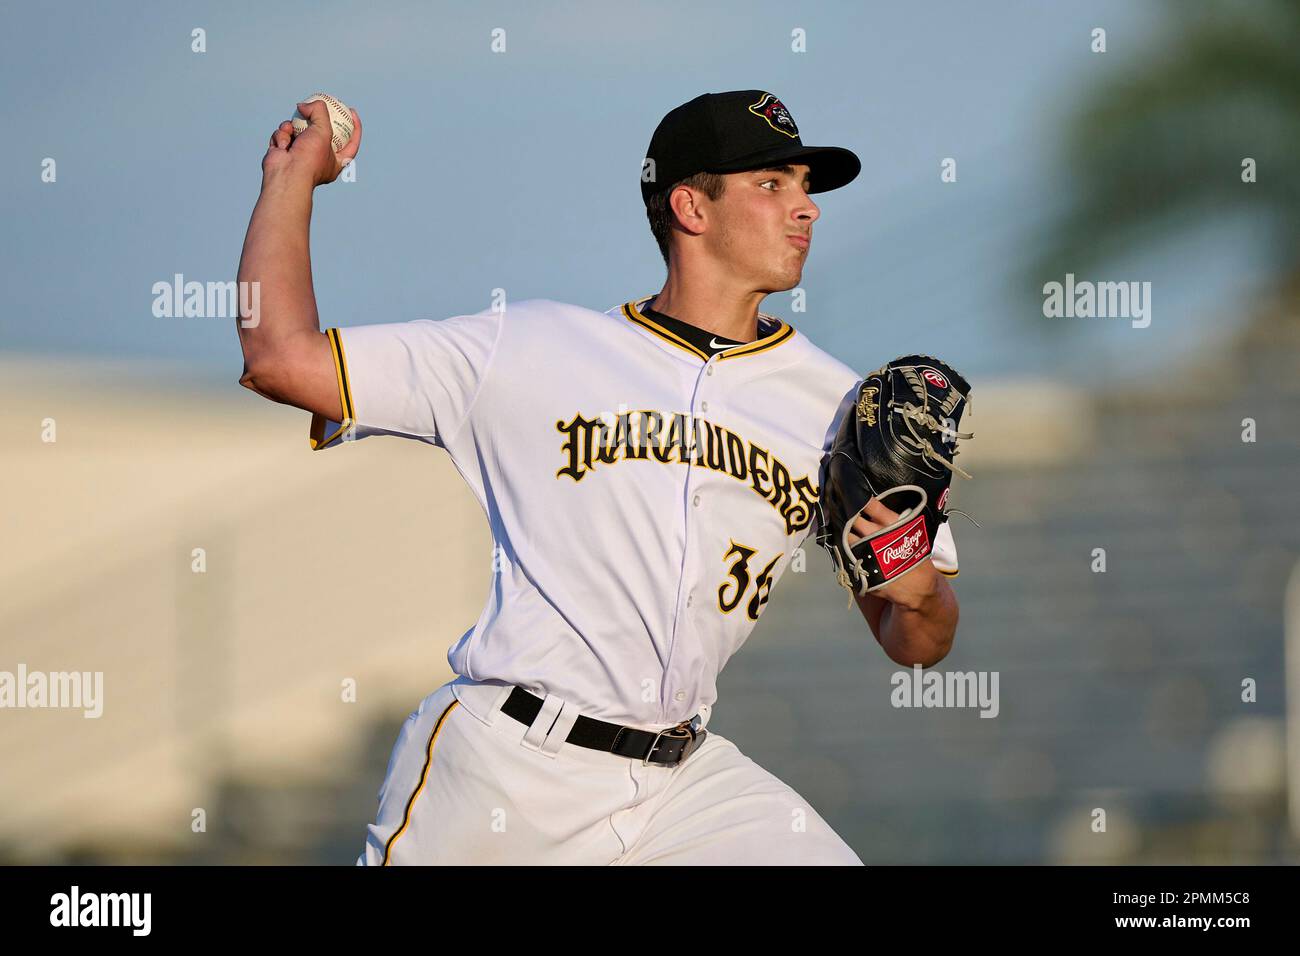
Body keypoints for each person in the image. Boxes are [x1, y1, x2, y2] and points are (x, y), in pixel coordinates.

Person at [235, 89, 960, 865]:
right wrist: (291, 182)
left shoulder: (840, 407)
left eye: (806, 188)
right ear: (692, 207)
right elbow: (281, 358)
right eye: (772, 184)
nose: (806, 208)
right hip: (510, 768)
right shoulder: (530, 349)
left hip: (685, 789)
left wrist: (912, 577)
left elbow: (916, 642)